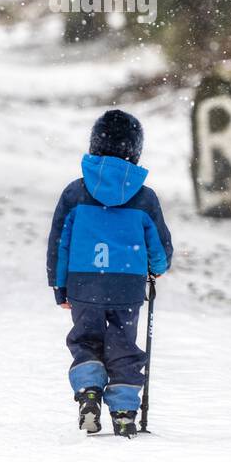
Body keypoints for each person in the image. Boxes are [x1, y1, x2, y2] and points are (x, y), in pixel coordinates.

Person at [45, 109, 173, 437]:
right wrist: (157, 268)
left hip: (83, 281)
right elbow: (158, 246)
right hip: (126, 285)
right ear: (136, 150)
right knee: (122, 343)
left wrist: (59, 286)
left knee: (85, 338)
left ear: (94, 145)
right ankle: (125, 410)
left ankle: (89, 391)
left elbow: (60, 243)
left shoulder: (75, 193)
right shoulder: (144, 197)